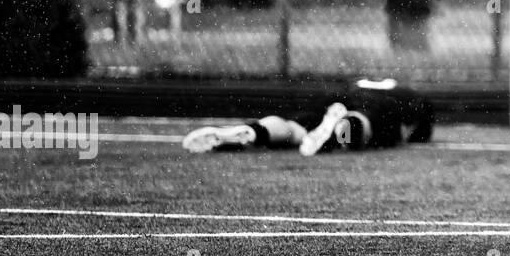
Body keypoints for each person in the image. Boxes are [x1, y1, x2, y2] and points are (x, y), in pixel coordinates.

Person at [182, 77, 434, 156]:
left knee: (295, 129)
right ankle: (341, 129)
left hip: (340, 95)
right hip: (380, 106)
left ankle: (255, 131)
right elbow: (416, 132)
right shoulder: (409, 95)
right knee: (365, 123)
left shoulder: (357, 83)